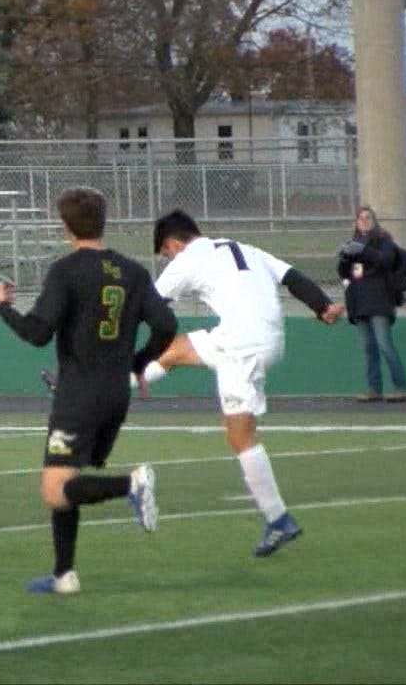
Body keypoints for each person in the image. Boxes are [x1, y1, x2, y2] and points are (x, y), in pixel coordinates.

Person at [0, 188, 177, 595]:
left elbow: (38, 333)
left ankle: (132, 485)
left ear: (65, 227)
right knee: (66, 477)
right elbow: (166, 326)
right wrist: (139, 362)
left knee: (54, 488)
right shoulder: (132, 271)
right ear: (103, 222)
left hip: (78, 394)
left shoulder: (67, 270)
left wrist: (3, 307)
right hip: (115, 395)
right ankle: (64, 575)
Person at [135, 209, 344, 558]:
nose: (168, 259)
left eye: (166, 254)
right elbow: (291, 276)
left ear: (172, 243)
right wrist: (321, 306)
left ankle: (278, 519)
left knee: (239, 434)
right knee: (172, 352)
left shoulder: (187, 259)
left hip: (242, 346)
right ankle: (107, 386)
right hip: (259, 337)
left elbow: (150, 307)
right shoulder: (244, 248)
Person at [337, 206, 406, 403]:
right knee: (368, 348)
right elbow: (346, 273)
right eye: (360, 218)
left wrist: (364, 250)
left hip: (379, 300)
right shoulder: (353, 243)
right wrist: (344, 257)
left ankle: (400, 387)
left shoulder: (383, 240)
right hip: (359, 301)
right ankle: (374, 388)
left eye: (368, 218)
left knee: (384, 344)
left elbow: (386, 260)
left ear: (374, 220)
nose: (364, 221)